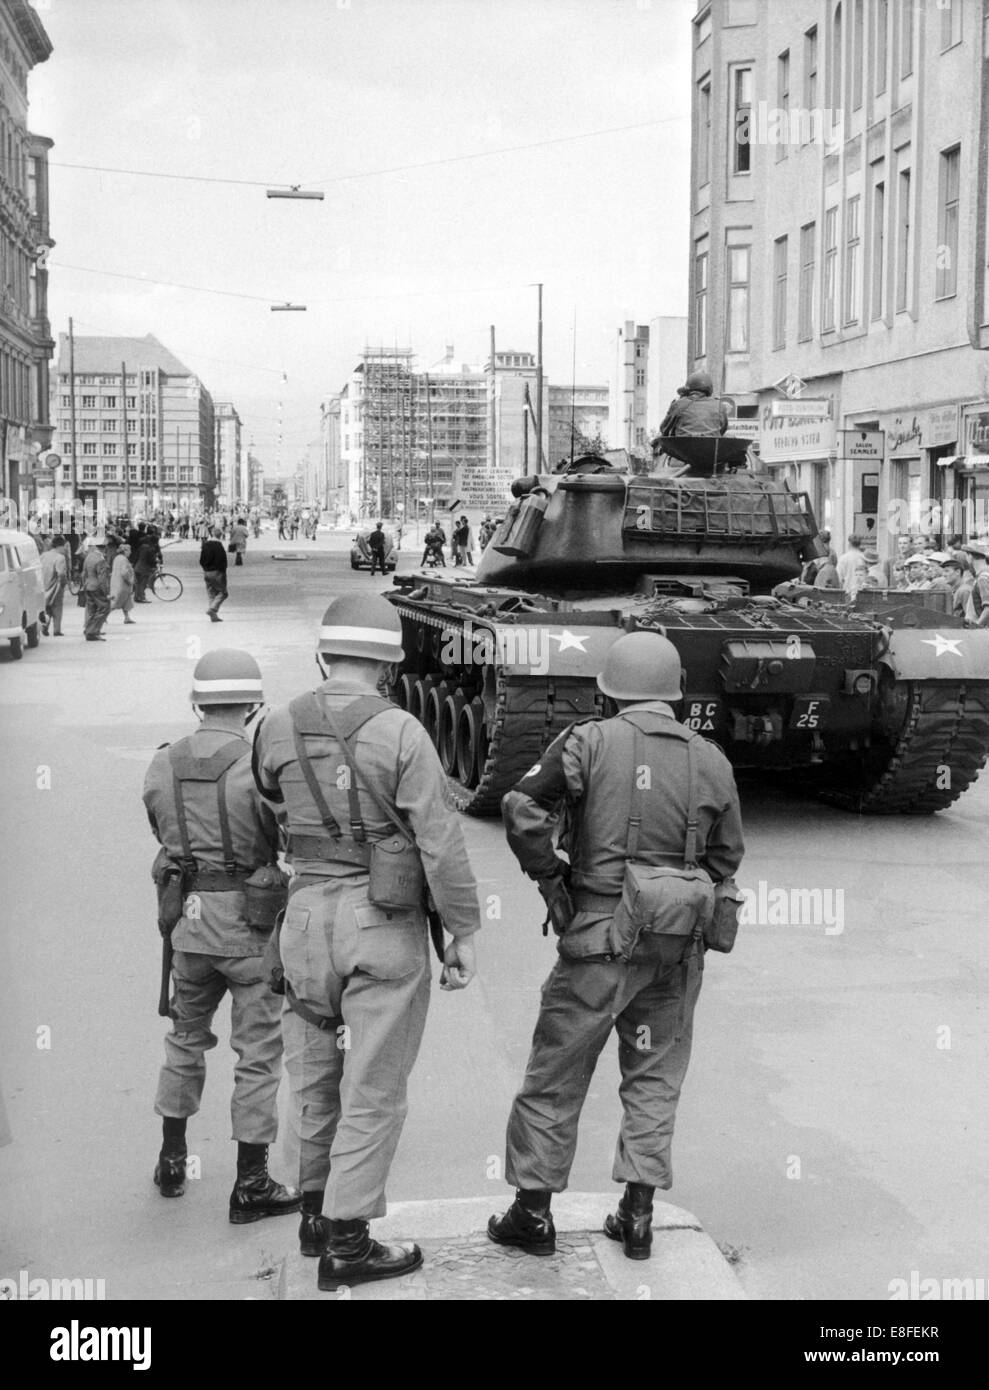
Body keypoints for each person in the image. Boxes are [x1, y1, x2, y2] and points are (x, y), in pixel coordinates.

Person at [489, 631, 743, 1260]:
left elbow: (521, 803)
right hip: (674, 946)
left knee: (556, 1073)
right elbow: (726, 856)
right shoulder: (712, 759)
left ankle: (533, 1214)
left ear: (609, 692)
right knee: (654, 1076)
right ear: (675, 695)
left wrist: (552, 879)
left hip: (598, 939)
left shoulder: (585, 742)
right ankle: (637, 1216)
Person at [251, 592, 481, 1290]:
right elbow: (439, 844)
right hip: (379, 923)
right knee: (374, 1089)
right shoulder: (403, 732)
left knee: (313, 1077)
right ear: (389, 660)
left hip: (302, 921)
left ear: (324, 653)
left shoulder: (275, 725)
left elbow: (266, 808)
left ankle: (315, 1215)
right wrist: (463, 929)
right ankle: (348, 1247)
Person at [143, 649, 300, 1223]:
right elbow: (283, 834)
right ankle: (251, 1183)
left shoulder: (163, 763)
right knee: (257, 1054)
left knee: (185, 1040)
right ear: (254, 704)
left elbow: (159, 826)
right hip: (253, 927)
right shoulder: (257, 765)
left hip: (189, 923)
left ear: (195, 701)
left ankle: (171, 1158)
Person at [658, 371, 729, 438]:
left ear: (688, 389)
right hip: (711, 449)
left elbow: (664, 428)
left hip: (681, 449)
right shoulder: (719, 406)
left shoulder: (679, 404)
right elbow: (722, 429)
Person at [81, 535, 111, 642]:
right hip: (97, 587)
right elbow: (102, 579)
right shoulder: (100, 560)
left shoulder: (89, 556)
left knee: (91, 609)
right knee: (104, 608)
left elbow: (83, 573)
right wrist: (107, 592)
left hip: (88, 586)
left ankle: (89, 631)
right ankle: (93, 632)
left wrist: (85, 584)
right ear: (104, 548)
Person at [40, 534, 68, 637]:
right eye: (64, 546)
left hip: (43, 586)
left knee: (46, 607)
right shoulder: (60, 557)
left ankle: (44, 626)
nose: (65, 549)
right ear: (60, 546)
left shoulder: (43, 555)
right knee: (57, 608)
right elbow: (61, 573)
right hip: (55, 586)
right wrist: (63, 583)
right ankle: (57, 630)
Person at [200, 525, 229, 623]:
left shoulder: (205, 545)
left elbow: (201, 560)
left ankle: (213, 616)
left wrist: (205, 568)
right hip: (217, 572)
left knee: (211, 593)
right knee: (223, 593)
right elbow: (222, 561)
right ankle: (212, 609)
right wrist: (223, 572)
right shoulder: (219, 546)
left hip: (206, 572)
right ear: (220, 535)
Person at [962, 542, 989, 626]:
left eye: (966, 555)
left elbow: (988, 608)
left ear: (970, 556)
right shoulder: (984, 575)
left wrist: (976, 626)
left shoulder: (982, 578)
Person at [109, 542, 137, 624]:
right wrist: (129, 580)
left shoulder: (117, 558)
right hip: (122, 584)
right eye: (129, 551)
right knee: (117, 601)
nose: (130, 552)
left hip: (116, 582)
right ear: (125, 551)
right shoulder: (124, 559)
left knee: (126, 601)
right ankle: (103, 616)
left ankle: (127, 617)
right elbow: (124, 573)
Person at [133, 527, 161, 604]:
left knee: (138, 583)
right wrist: (156, 561)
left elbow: (137, 556)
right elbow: (151, 560)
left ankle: (136, 597)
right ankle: (142, 597)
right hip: (144, 569)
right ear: (155, 542)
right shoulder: (151, 549)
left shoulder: (143, 546)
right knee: (143, 584)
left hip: (137, 567)